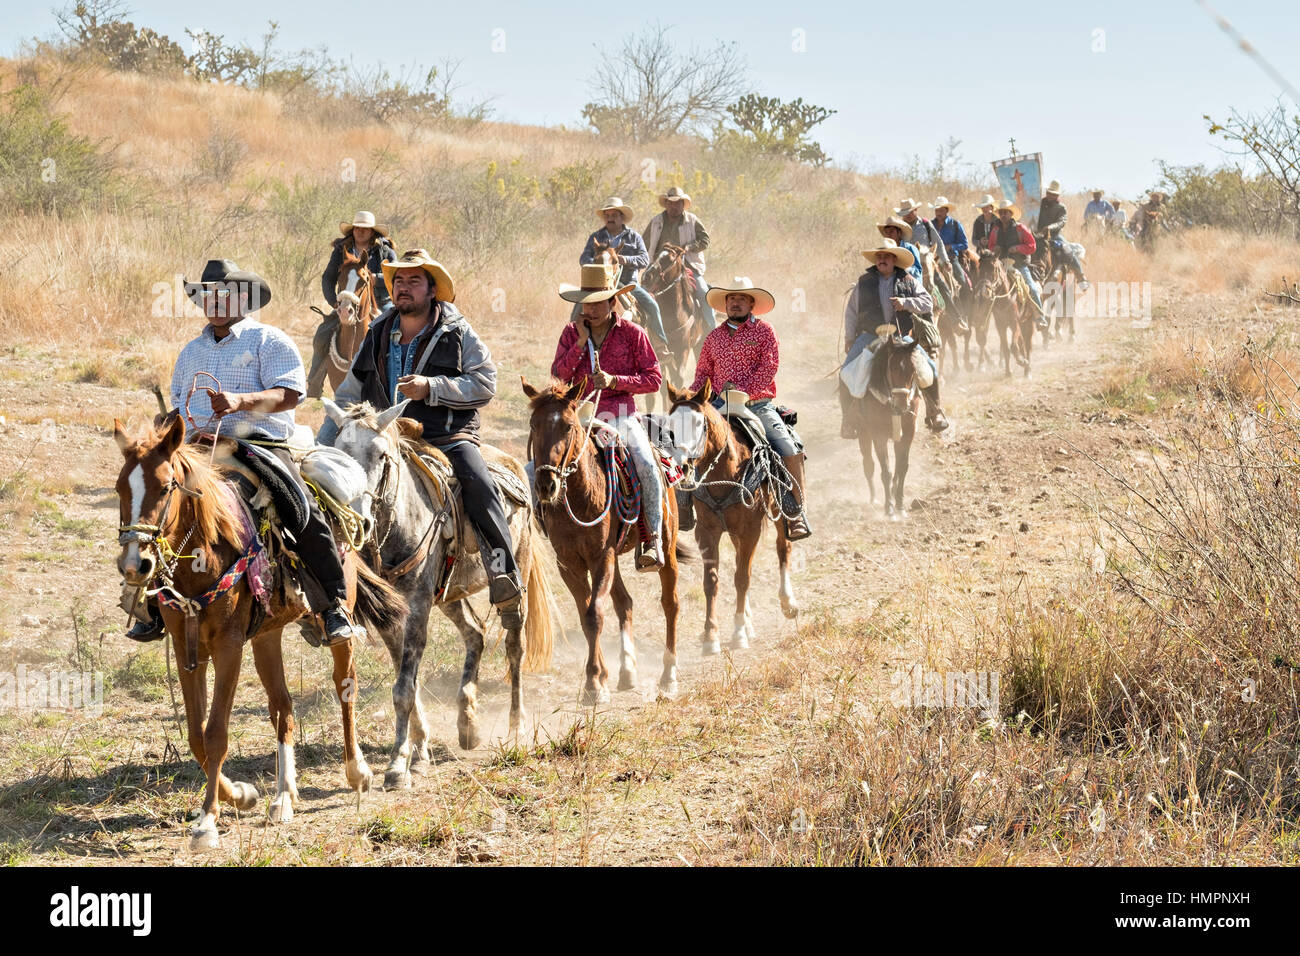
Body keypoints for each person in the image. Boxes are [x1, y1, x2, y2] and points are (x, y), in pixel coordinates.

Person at [128, 259, 361, 646]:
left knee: (298, 505)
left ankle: (332, 603)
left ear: (243, 299)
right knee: (154, 504)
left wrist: (241, 400)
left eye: (223, 295)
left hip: (259, 444)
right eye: (207, 295)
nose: (214, 302)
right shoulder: (190, 352)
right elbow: (179, 404)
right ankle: (152, 606)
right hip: (199, 448)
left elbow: (290, 394)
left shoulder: (269, 341)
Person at [317, 249, 526, 627]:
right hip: (387, 437)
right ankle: (328, 590)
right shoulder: (379, 330)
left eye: (414, 281)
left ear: (432, 289)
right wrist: (324, 447)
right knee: (333, 495)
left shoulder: (457, 330)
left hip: (447, 435)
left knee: (480, 485)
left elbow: (486, 382)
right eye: (398, 281)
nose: (403, 288)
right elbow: (349, 393)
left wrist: (431, 387)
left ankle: (503, 575)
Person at [551, 264, 666, 569]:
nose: (591, 308)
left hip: (621, 415)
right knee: (540, 464)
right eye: (587, 302)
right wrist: (578, 343)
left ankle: (652, 537)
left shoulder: (632, 334)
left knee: (645, 464)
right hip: (579, 417)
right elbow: (558, 376)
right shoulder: (570, 333)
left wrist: (616, 381)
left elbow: (654, 378)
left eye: (598, 301)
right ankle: (546, 532)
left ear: (612, 302)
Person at [689, 278, 812, 541]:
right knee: (686, 441)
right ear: (726, 304)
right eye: (731, 299)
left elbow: (769, 368)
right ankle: (684, 504)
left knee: (788, 448)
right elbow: (703, 373)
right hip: (719, 405)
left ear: (751, 303)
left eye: (741, 298)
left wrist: (742, 389)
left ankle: (796, 512)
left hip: (757, 405)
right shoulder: (713, 337)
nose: (735, 303)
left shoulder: (765, 332)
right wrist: (693, 398)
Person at [840, 239, 948, 437]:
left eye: (886, 256)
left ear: (894, 259)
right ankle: (848, 419)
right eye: (879, 256)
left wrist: (906, 302)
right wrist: (849, 338)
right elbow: (851, 313)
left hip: (900, 337)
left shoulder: (908, 280)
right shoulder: (864, 283)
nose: (882, 260)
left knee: (930, 368)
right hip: (870, 335)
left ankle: (935, 411)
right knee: (846, 371)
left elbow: (927, 303)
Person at [307, 211, 398, 398]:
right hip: (347, 301)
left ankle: (399, 382)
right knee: (322, 334)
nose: (360, 232)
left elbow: (396, 276)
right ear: (353, 230)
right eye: (357, 228)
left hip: (380, 301)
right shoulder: (341, 250)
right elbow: (328, 278)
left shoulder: (385, 251)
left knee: (396, 333)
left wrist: (376, 279)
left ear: (372, 232)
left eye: (365, 229)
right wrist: (334, 302)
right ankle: (314, 382)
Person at [578, 198, 669, 350]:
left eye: (614, 215)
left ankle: (660, 344)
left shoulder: (634, 237)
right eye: (607, 215)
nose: (610, 218)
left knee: (652, 305)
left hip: (628, 283)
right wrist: (597, 262)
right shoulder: (596, 236)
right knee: (577, 306)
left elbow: (644, 259)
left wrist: (624, 259)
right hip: (599, 284)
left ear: (621, 217)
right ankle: (574, 340)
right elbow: (583, 258)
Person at [642, 185, 715, 330]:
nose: (674, 206)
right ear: (666, 204)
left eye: (678, 203)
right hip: (662, 267)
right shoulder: (656, 222)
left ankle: (712, 332)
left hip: (688, 265)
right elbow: (644, 242)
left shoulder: (692, 220)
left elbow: (705, 240)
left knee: (704, 294)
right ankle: (641, 331)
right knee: (642, 292)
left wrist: (689, 247)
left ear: (683, 204)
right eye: (671, 203)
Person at [896, 198, 965, 322]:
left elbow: (938, 242)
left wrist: (946, 261)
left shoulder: (925, 224)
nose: (907, 216)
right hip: (906, 264)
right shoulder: (899, 228)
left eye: (910, 212)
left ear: (915, 210)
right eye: (905, 214)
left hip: (927, 261)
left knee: (942, 285)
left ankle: (956, 319)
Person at [986, 200, 1048, 328]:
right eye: (1001, 212)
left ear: (1011, 214)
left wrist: (1018, 248)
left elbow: (1032, 246)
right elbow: (990, 246)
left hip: (1020, 264)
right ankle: (982, 318)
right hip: (1001, 265)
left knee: (1032, 288)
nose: (1003, 215)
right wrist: (994, 249)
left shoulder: (1021, 229)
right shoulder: (995, 230)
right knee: (986, 285)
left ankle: (1040, 317)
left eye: (1006, 212)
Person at [1035, 181, 1089, 289]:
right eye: (1049, 193)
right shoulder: (1038, 205)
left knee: (1067, 250)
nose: (1051, 196)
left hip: (1054, 235)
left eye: (1054, 194)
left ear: (1057, 196)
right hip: (1038, 234)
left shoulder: (1061, 208)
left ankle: (1081, 277)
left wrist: (1050, 228)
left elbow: (1061, 222)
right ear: (1046, 192)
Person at [876, 216, 924, 282]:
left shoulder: (911, 249)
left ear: (899, 233)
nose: (888, 235)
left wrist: (904, 268)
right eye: (886, 232)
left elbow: (918, 273)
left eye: (891, 231)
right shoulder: (884, 251)